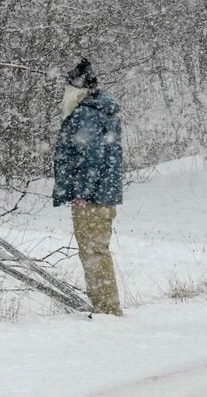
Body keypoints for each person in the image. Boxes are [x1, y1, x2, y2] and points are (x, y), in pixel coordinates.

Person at [53, 58, 124, 316]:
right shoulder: (103, 111)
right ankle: (106, 305)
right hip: (104, 194)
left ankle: (106, 308)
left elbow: (90, 156)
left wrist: (81, 191)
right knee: (98, 250)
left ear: (77, 90)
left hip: (92, 198)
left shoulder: (85, 114)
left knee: (93, 252)